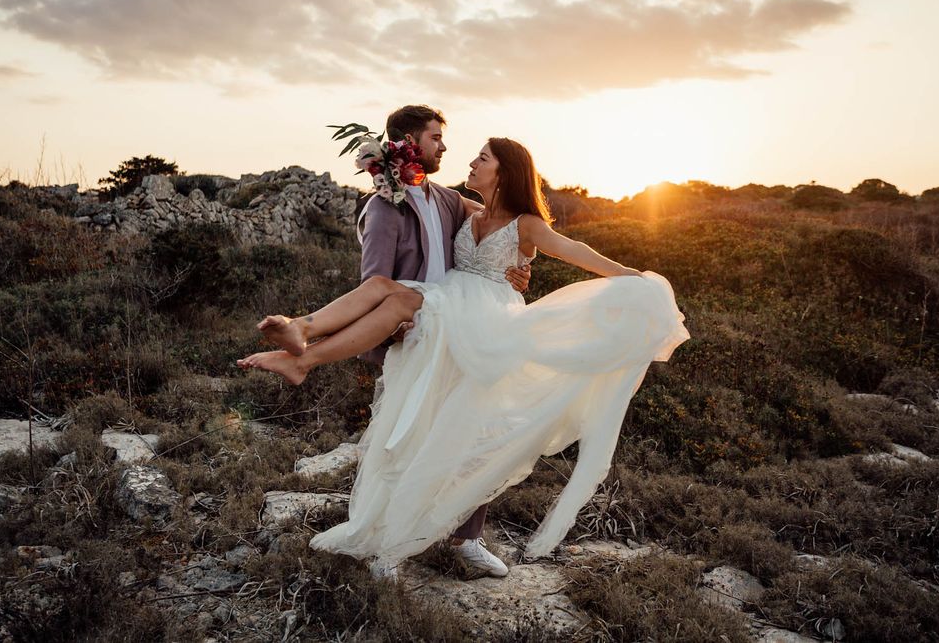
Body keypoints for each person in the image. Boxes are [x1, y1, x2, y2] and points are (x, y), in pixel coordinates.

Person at [238, 136, 690, 577]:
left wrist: (639, 280)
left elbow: (576, 252)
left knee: (465, 435)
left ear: (504, 172)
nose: (471, 163)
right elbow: (429, 205)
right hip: (450, 307)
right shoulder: (467, 207)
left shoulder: (526, 223)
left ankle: (437, 539)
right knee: (390, 315)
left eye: (482, 158)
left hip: (488, 325)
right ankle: (302, 342)